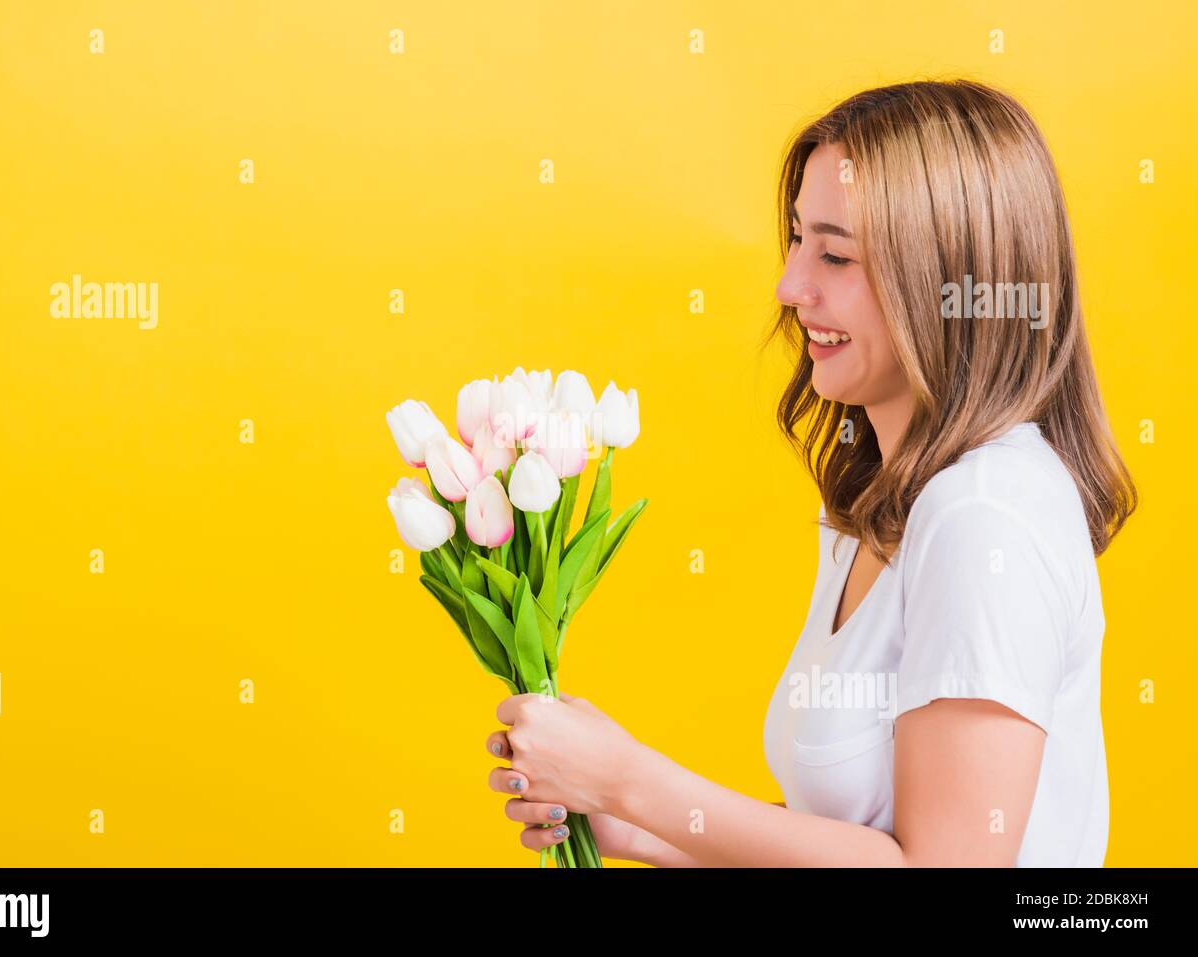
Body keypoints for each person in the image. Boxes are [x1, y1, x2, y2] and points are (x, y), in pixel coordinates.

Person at [485, 80, 1136, 866]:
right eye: (797, 240)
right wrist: (635, 826)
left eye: (835, 253)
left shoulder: (982, 516)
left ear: (951, 288)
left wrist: (632, 781)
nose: (789, 288)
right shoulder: (883, 506)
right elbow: (863, 847)